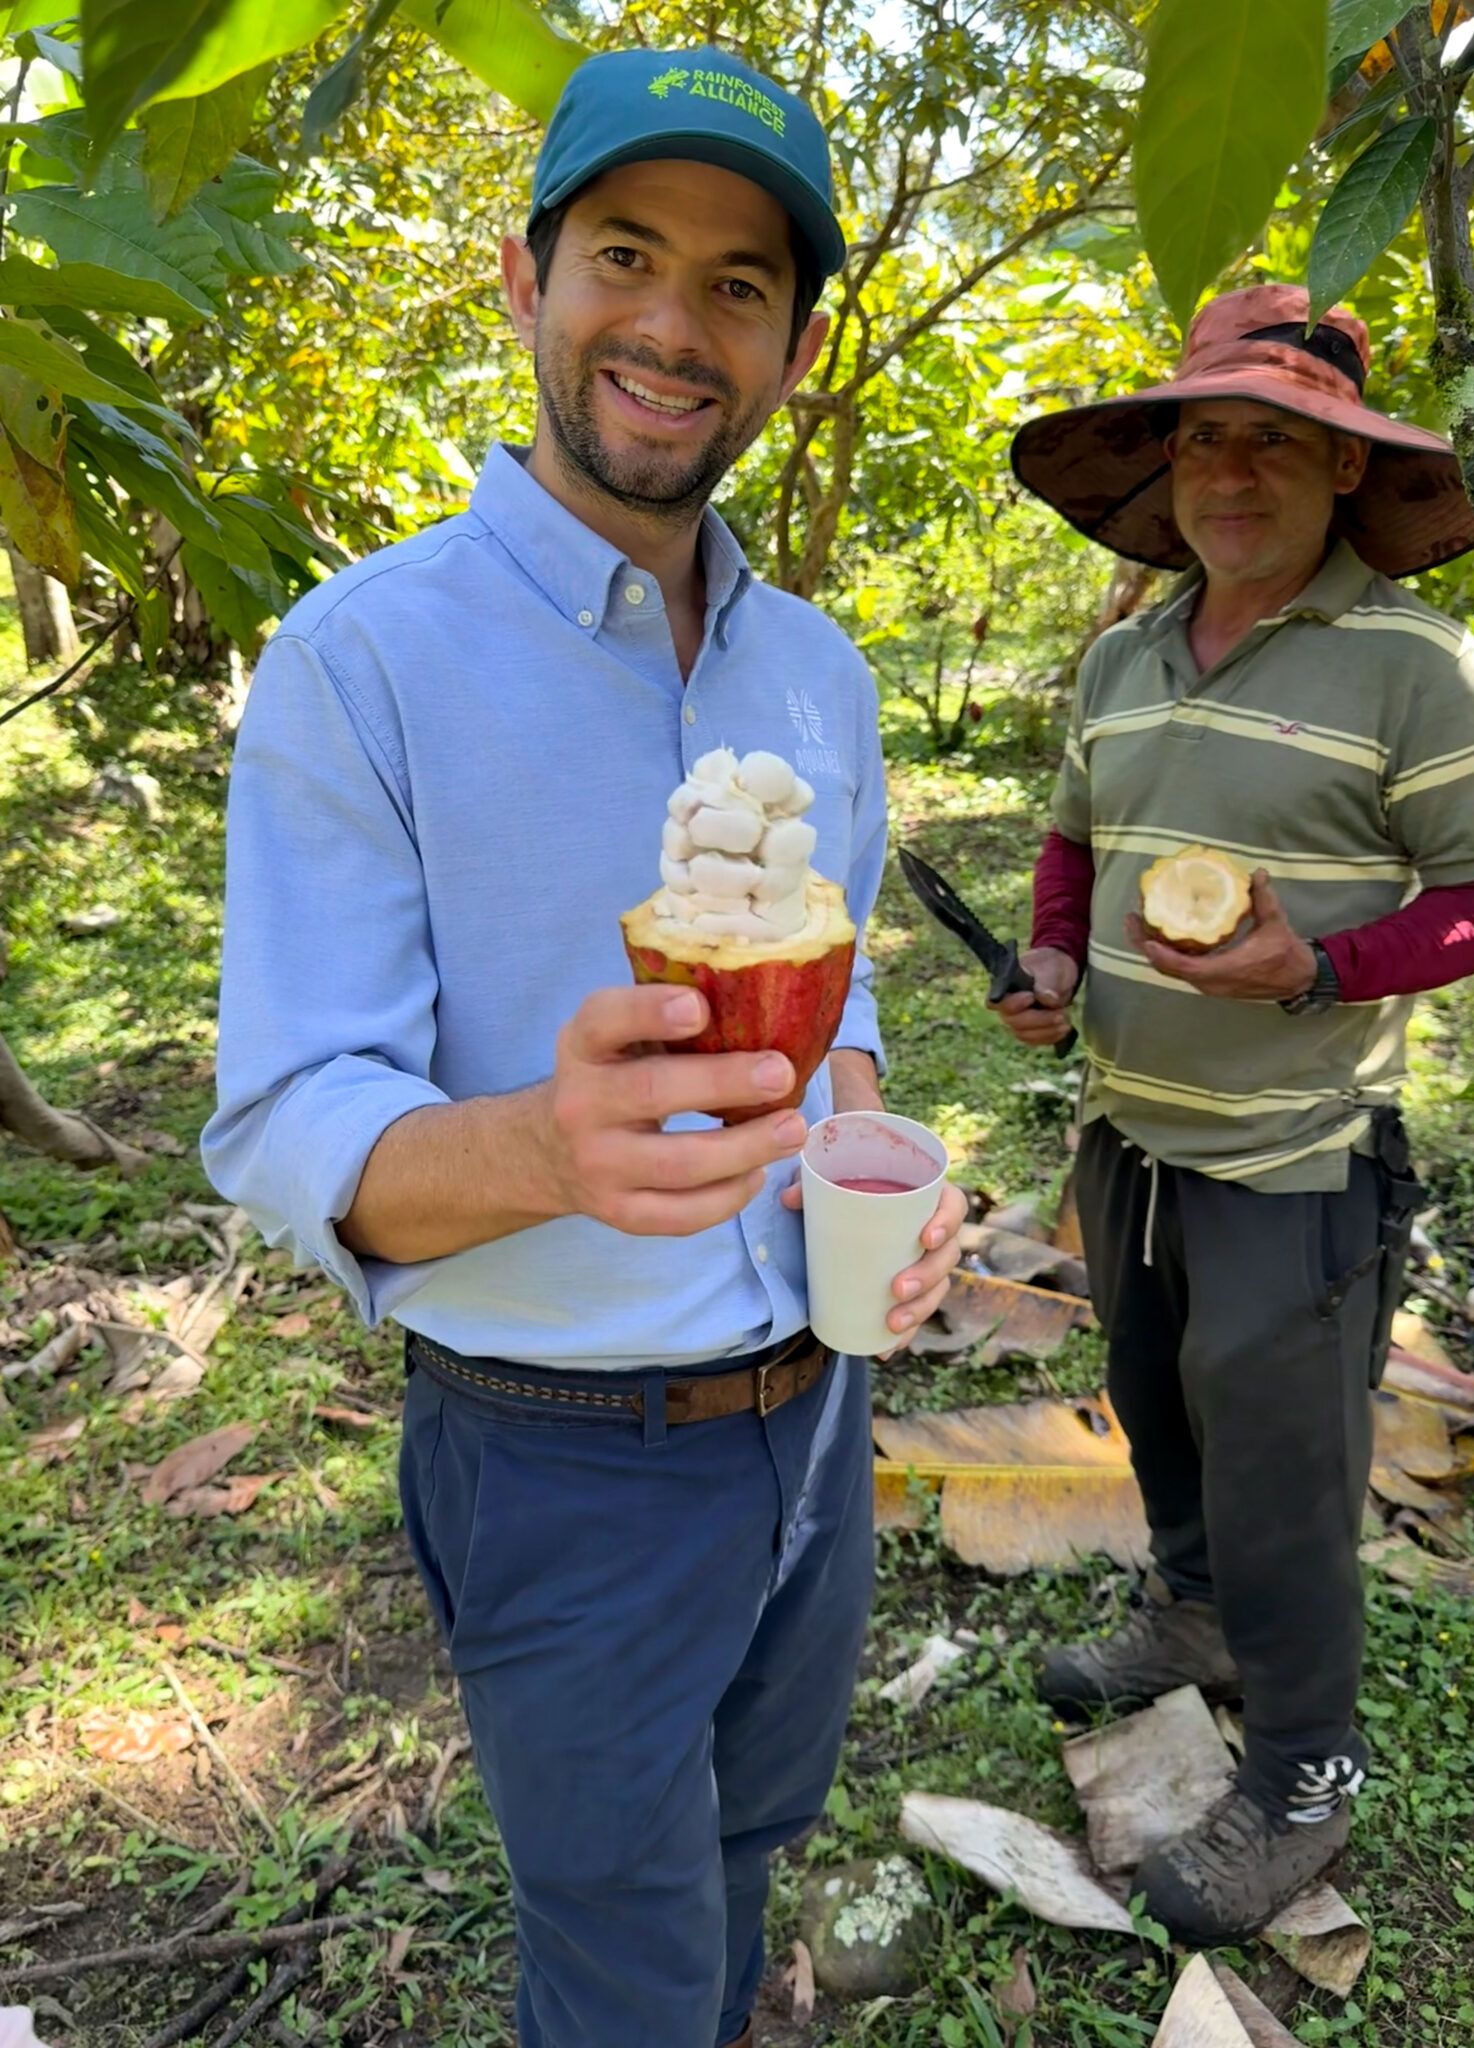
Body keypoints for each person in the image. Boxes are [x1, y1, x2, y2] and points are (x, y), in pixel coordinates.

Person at [202, 45, 966, 2048]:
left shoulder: (819, 673)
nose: (674, 324)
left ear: (795, 344)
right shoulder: (363, 659)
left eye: (739, 283)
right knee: (615, 1955)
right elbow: (293, 1118)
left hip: (814, 1411)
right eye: (627, 253)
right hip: (559, 1454)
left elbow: (841, 995)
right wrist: (556, 1146)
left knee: (748, 1837)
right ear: (526, 280)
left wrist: (874, 1154)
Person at [1000, 283, 1474, 1943]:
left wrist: (1322, 965)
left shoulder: (1415, 663)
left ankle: (1306, 1767)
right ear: (1169, 467)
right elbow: (1084, 844)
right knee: (1151, 1394)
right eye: (1207, 434)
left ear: (1345, 472)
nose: (1234, 471)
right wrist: (1045, 953)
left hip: (1295, 1159)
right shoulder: (1124, 656)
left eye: (1277, 440)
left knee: (1287, 1468)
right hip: (1129, 1133)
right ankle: (1194, 1616)